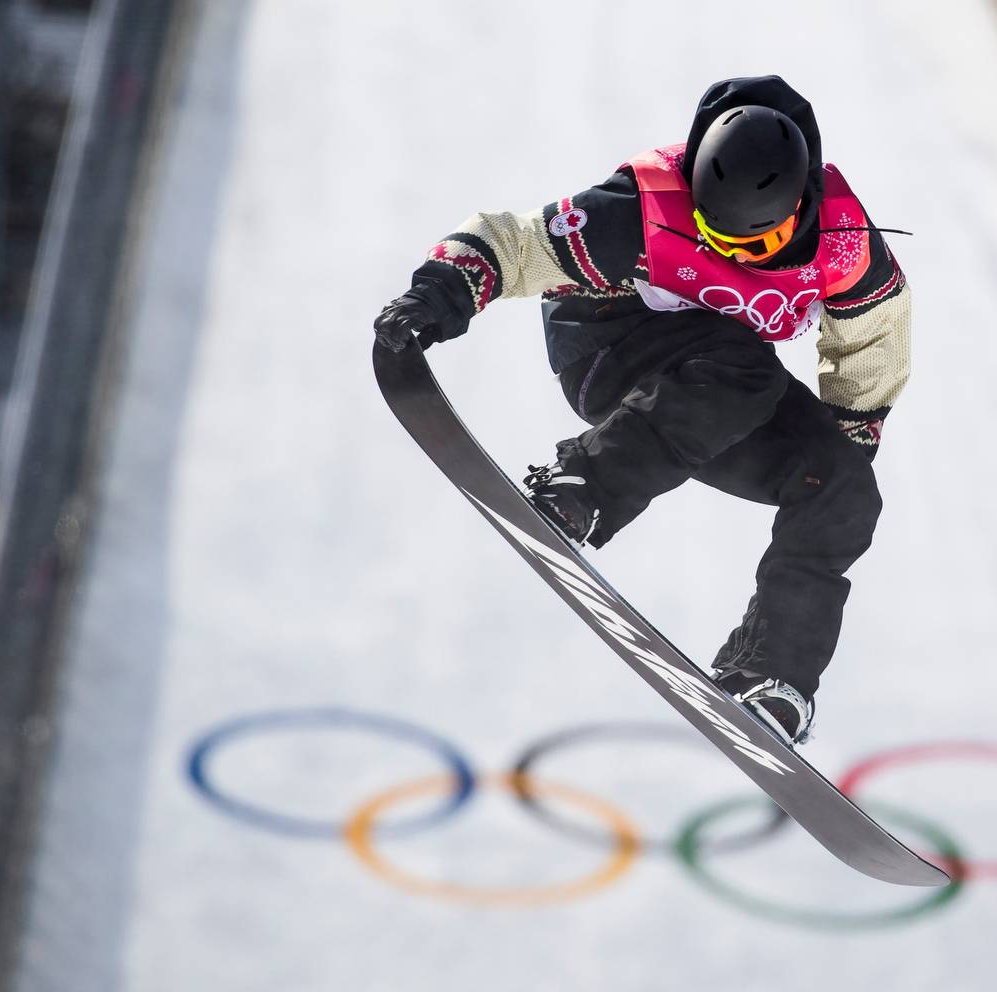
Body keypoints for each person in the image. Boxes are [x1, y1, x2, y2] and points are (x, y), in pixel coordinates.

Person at [373, 76, 911, 745]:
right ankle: (585, 489)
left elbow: (873, 339)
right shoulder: (644, 205)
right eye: (716, 236)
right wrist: (439, 293)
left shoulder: (845, 242)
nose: (735, 256)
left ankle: (770, 673)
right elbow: (515, 242)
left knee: (846, 487)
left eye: (757, 246)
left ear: (798, 209)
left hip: (715, 388)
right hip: (609, 347)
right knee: (743, 366)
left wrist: (843, 443)